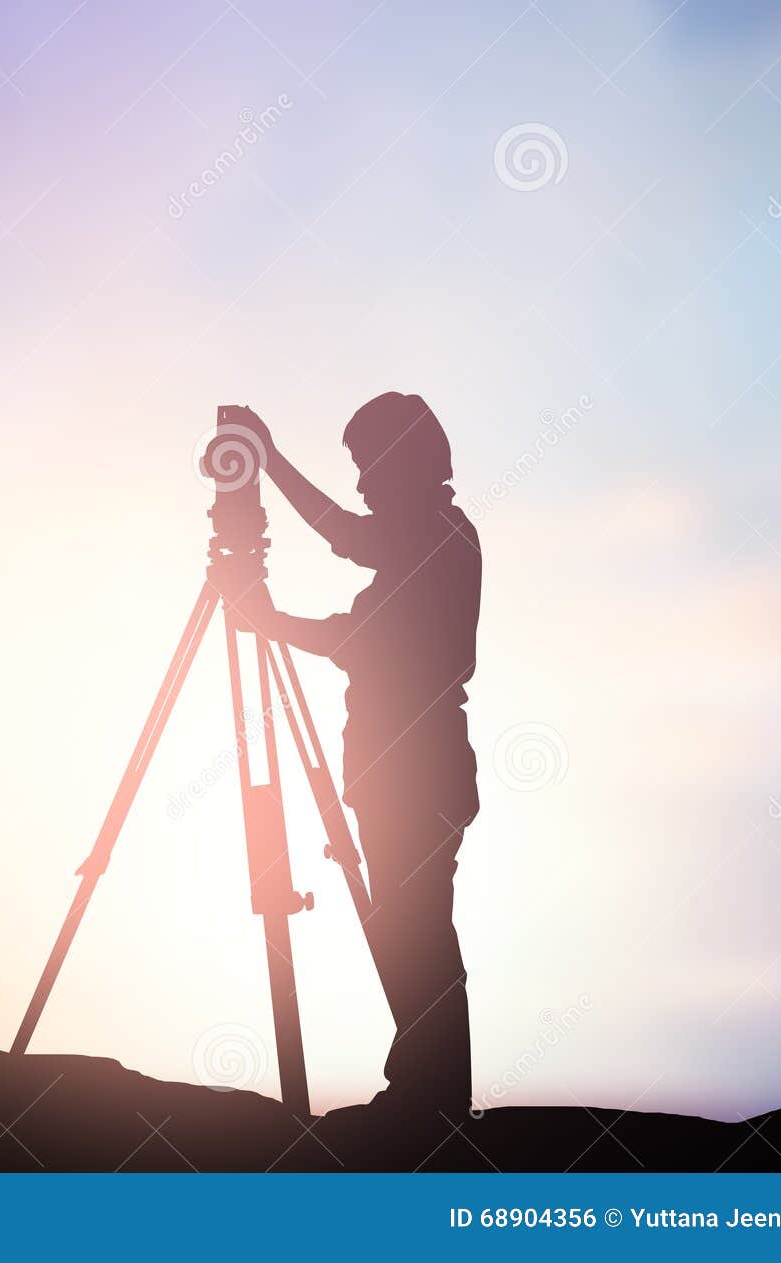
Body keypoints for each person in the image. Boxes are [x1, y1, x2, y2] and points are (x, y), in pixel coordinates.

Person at [220, 394, 481, 1117]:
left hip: (415, 770)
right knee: (408, 925)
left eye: (369, 466)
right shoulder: (434, 535)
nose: (363, 483)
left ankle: (430, 1100)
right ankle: (427, 1091)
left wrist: (270, 466)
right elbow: (355, 562)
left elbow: (356, 629)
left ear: (405, 464)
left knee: (414, 929)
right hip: (406, 769)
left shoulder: (436, 535)